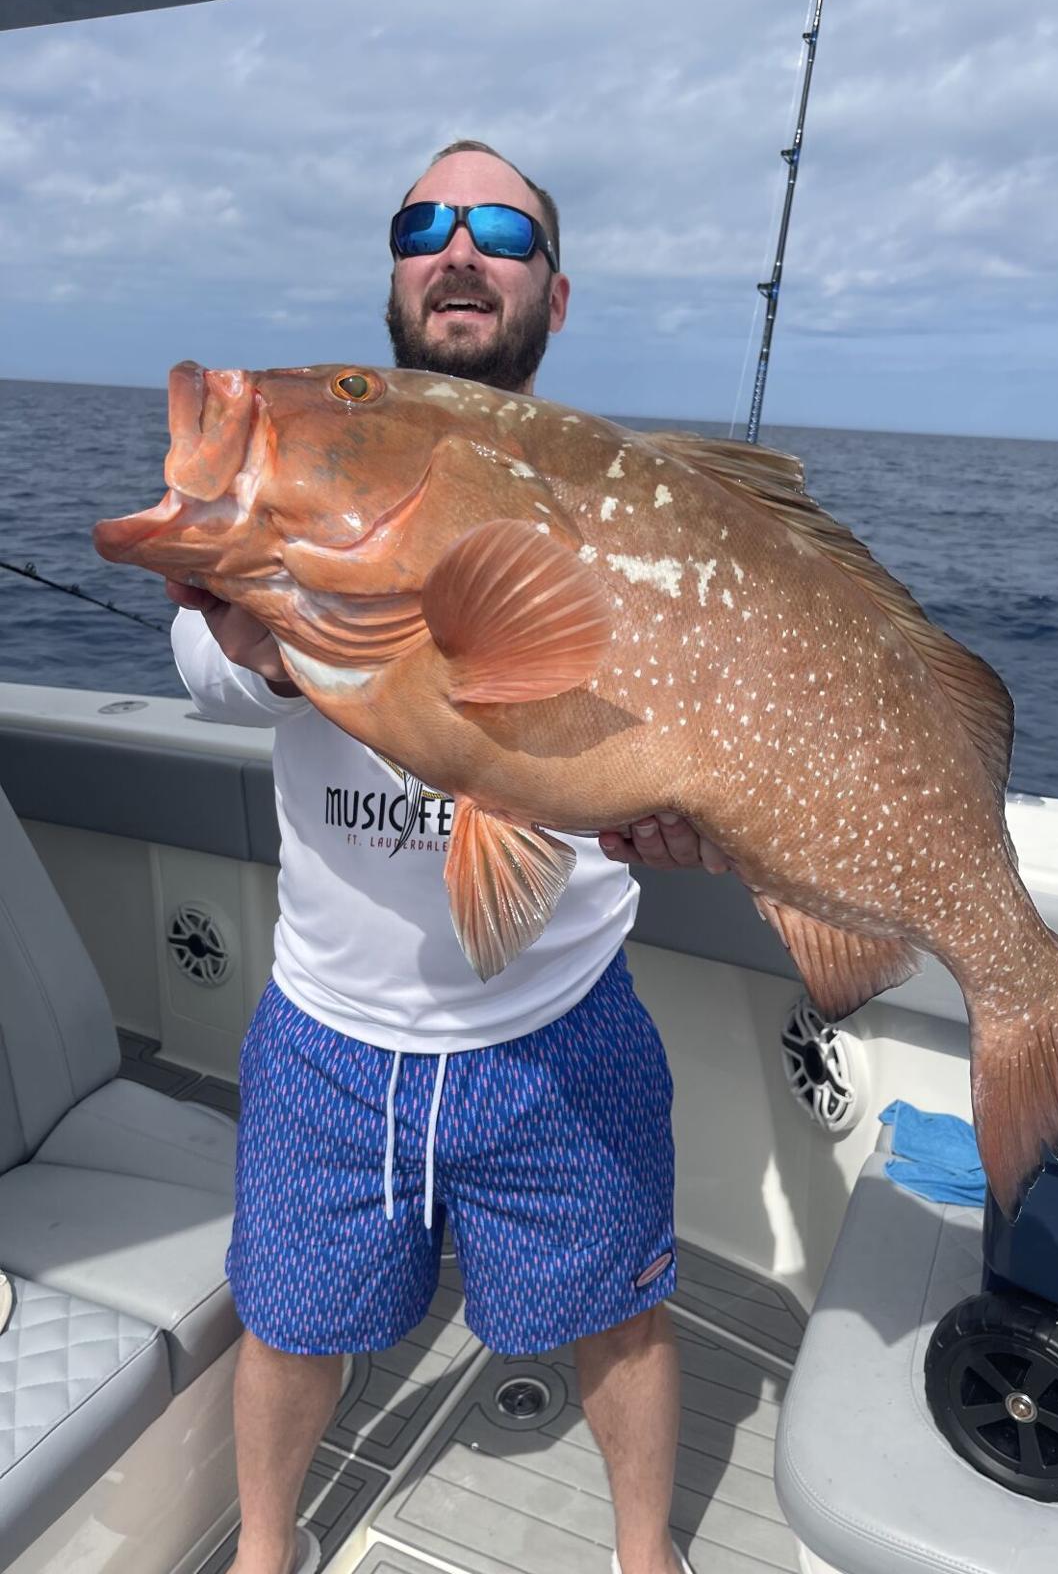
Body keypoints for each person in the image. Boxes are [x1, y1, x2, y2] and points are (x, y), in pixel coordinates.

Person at [169, 142, 726, 1574]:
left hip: (561, 1025)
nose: (458, 248)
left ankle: (646, 1554)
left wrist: (696, 813)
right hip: (327, 1039)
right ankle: (264, 1551)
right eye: (425, 223)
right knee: (288, 1322)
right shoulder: (321, 465)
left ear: (552, 287)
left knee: (623, 1314)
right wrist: (279, 650)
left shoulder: (626, 501)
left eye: (500, 229)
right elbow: (202, 651)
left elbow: (699, 703)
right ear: (397, 271)